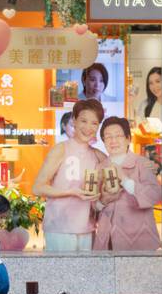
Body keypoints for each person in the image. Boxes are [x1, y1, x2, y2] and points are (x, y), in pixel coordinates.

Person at [33, 99, 108, 250]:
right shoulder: (60, 149)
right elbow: (38, 188)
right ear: (74, 120)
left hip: (87, 228)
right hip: (59, 228)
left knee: (85, 273)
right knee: (60, 273)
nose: (88, 127)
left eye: (94, 123)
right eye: (83, 121)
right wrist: (72, 192)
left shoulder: (100, 156)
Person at [94, 117, 162, 251]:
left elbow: (156, 195)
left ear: (128, 139)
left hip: (138, 238)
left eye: (118, 136)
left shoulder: (142, 163)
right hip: (107, 239)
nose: (113, 141)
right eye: (108, 137)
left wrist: (125, 180)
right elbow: (93, 206)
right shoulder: (100, 167)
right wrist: (103, 201)